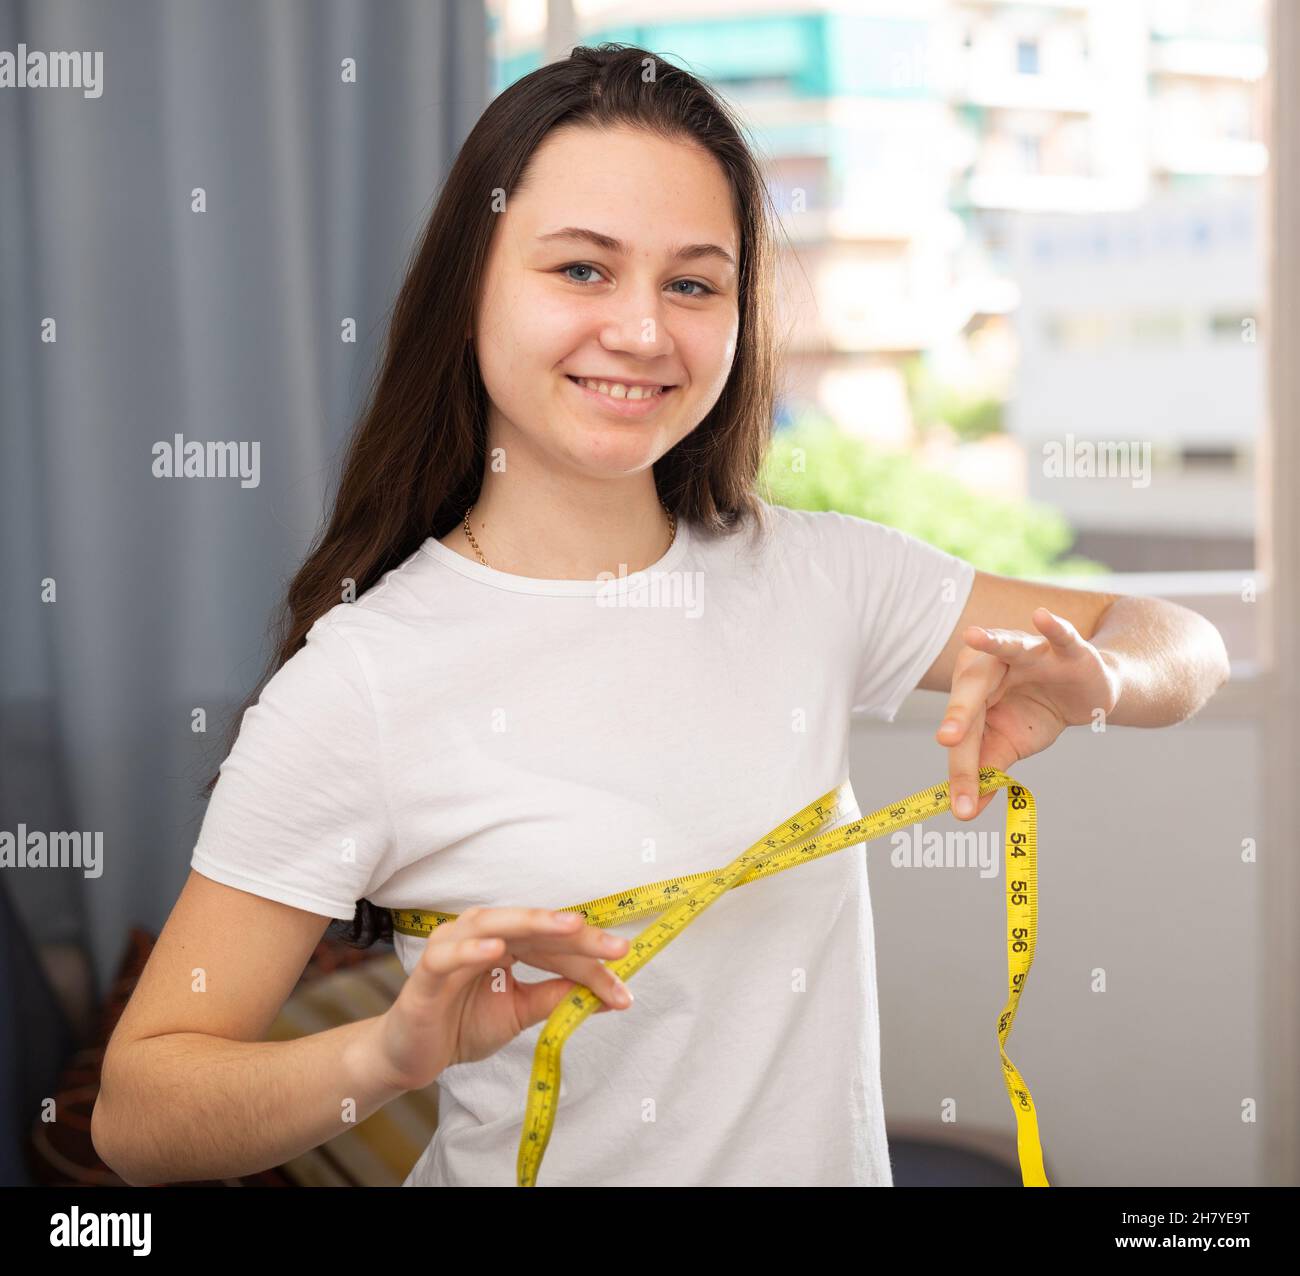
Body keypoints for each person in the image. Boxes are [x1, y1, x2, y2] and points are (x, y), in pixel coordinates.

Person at [91, 43, 1231, 1189]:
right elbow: (138, 1115)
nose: (642, 331)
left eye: (692, 283)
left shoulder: (818, 577)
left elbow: (1180, 640)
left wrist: (1100, 681)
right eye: (582, 270)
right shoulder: (363, 680)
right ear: (468, 288)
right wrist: (390, 1050)